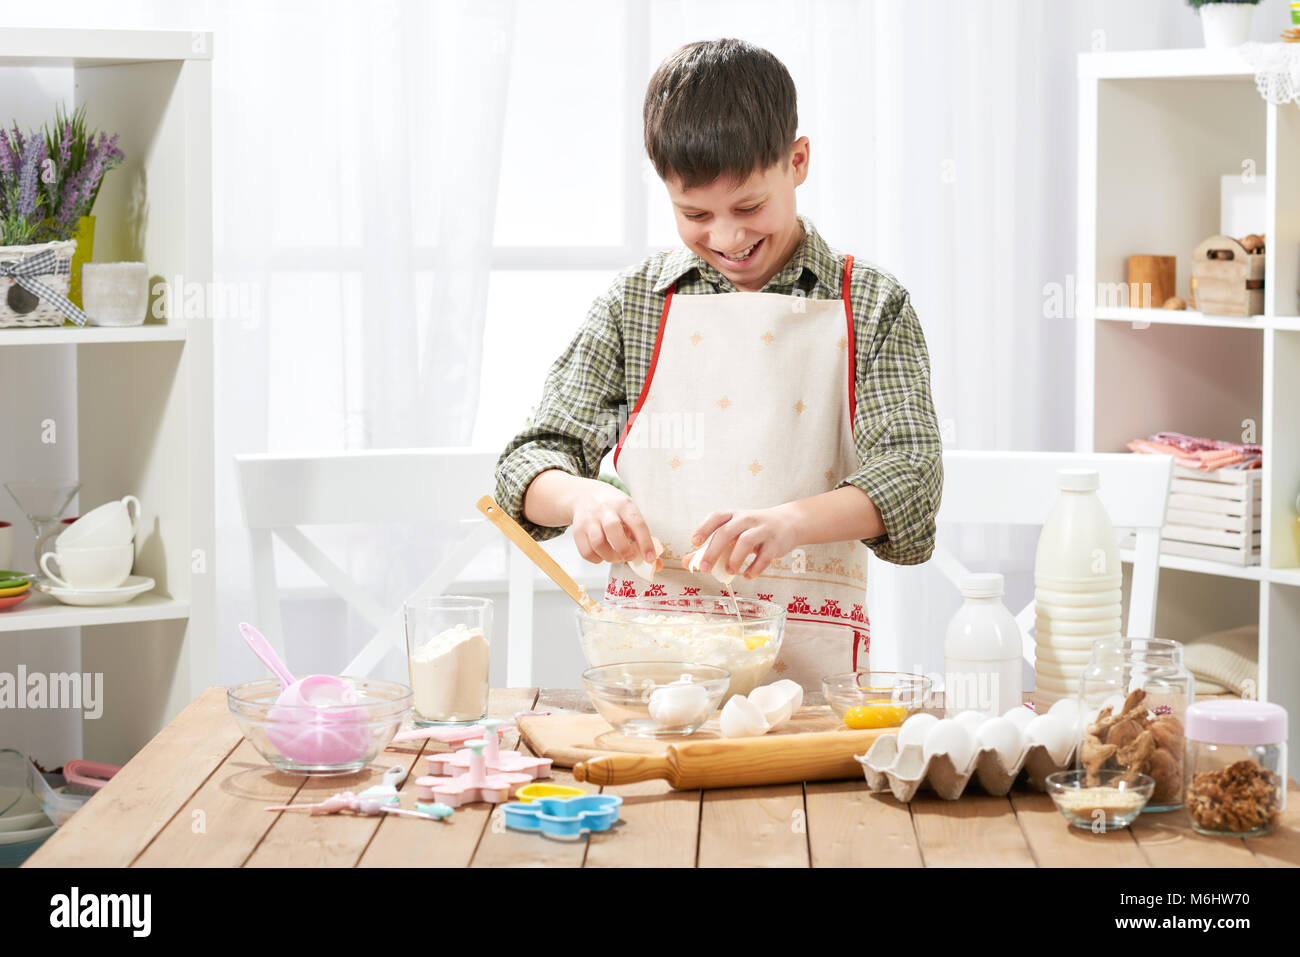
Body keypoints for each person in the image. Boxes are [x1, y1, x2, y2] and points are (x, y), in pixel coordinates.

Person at [494, 38, 943, 686]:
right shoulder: (637, 304)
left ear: (798, 161)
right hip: (646, 681)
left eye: (750, 207)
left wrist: (792, 522)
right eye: (695, 214)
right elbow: (527, 463)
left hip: (811, 691)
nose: (728, 239)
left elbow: (913, 477)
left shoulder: (870, 303)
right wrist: (582, 497)